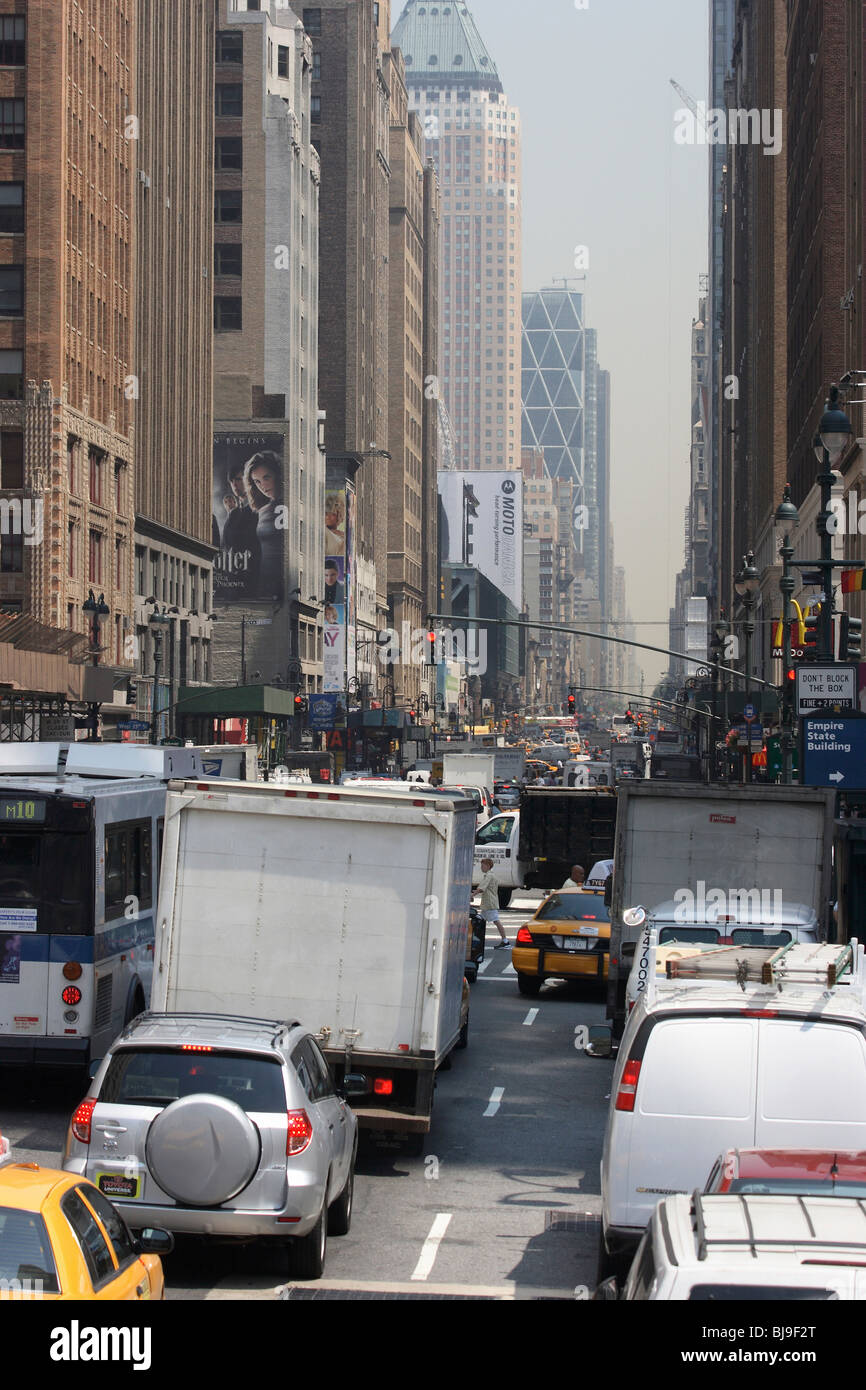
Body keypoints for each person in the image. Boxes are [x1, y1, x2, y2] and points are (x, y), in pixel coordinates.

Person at [477, 858, 509, 948]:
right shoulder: (491, 875)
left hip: (489, 904)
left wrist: (472, 895)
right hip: (488, 903)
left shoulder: (489, 876)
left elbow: (481, 888)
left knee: (496, 921)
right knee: (480, 921)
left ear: (488, 866)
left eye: (482, 865)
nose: (481, 868)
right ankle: (477, 939)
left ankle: (505, 941)